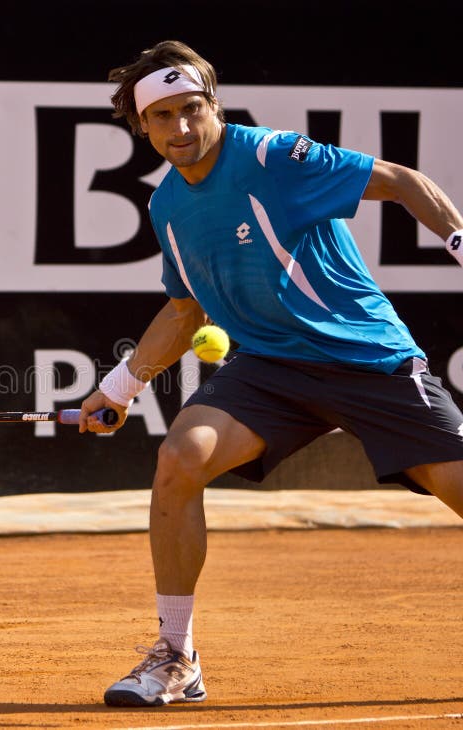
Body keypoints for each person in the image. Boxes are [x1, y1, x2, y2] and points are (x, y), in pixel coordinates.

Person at [78, 39, 463, 708]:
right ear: (142, 126)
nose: (182, 129)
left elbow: (402, 182)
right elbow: (184, 310)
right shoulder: (167, 207)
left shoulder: (273, 156)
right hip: (269, 372)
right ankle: (176, 657)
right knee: (179, 458)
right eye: (163, 117)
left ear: (214, 105)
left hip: (366, 358)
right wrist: (120, 387)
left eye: (192, 110)